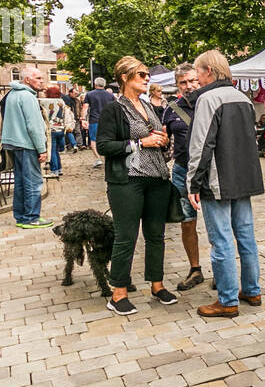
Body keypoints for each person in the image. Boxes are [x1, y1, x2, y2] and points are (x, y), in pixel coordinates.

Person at [95, 56, 178, 316]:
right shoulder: (114, 108)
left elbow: (155, 139)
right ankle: (118, 292)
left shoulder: (147, 105)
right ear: (125, 77)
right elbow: (104, 146)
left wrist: (162, 140)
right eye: (141, 74)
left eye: (146, 75)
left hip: (157, 178)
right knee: (126, 236)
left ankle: (157, 285)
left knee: (156, 235)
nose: (147, 78)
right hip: (127, 180)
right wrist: (141, 143)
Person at [187, 49, 263, 319]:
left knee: (221, 242)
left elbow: (201, 144)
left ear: (208, 70)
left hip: (218, 179)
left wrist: (193, 183)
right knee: (246, 236)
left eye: (197, 71)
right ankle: (252, 290)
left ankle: (228, 299)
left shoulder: (208, 99)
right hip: (243, 177)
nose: (195, 77)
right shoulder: (242, 97)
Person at [162, 62, 204, 291]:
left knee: (219, 223)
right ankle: (195, 269)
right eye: (183, 82)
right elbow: (164, 138)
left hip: (209, 172)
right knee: (187, 222)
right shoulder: (172, 108)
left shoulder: (210, 103)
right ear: (177, 85)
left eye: (192, 80)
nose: (189, 86)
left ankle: (222, 270)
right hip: (181, 170)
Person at [0, 65, 51, 229]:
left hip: (13, 143)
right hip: (27, 144)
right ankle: (31, 217)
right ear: (27, 79)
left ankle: (21, 216)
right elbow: (34, 126)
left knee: (21, 182)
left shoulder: (12, 94)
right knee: (33, 182)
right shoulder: (28, 97)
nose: (41, 81)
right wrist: (41, 148)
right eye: (38, 78)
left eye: (42, 78)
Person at [83, 77, 115, 168]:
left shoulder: (89, 94)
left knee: (93, 140)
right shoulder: (110, 95)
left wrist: (83, 119)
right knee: (107, 139)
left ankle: (98, 158)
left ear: (95, 84)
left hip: (95, 120)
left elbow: (85, 107)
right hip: (108, 121)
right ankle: (108, 159)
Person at [43, 86, 71, 177]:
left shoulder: (46, 102)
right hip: (61, 129)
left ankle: (54, 171)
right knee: (56, 151)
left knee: (51, 151)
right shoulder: (61, 101)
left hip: (52, 129)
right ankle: (59, 169)